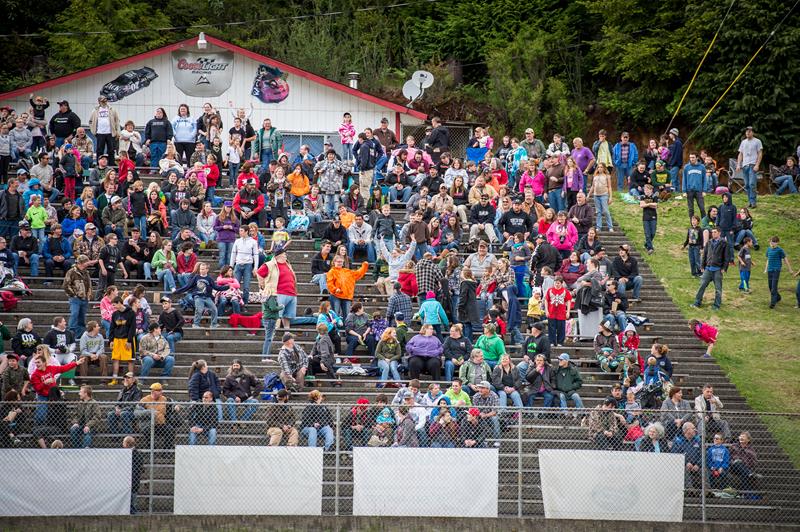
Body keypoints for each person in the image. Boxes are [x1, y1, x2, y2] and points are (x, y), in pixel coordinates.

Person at [692, 227, 728, 310]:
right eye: (712, 232)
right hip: (708, 268)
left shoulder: (724, 243)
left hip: (718, 269)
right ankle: (697, 302)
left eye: (715, 232)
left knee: (718, 289)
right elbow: (704, 254)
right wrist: (702, 266)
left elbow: (727, 256)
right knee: (702, 285)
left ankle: (716, 305)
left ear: (719, 233)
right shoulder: (709, 242)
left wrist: (724, 268)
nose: (713, 234)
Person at [138, 382, 180, 449]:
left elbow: (173, 402)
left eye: (161, 390)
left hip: (161, 424)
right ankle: (150, 450)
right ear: (153, 391)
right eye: (159, 390)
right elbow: (137, 412)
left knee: (170, 430)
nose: (161, 392)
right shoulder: (144, 400)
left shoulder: (164, 398)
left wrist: (176, 405)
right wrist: (150, 412)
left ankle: (166, 451)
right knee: (147, 431)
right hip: (148, 425)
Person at [736, 126, 763, 208]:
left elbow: (760, 153)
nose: (748, 132)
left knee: (752, 184)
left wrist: (757, 164)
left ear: (753, 132)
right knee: (747, 185)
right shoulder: (743, 142)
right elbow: (740, 154)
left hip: (752, 166)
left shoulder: (757, 141)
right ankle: (750, 202)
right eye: (747, 131)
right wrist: (738, 164)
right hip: (745, 166)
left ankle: (753, 202)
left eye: (750, 131)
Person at [765, 236, 793, 309]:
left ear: (777, 242)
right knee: (770, 286)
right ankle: (778, 297)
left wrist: (790, 269)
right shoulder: (768, 249)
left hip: (776, 270)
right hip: (770, 270)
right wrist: (766, 269)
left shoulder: (780, 250)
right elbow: (768, 259)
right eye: (771, 242)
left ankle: (772, 303)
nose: (772, 244)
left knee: (774, 287)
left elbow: (785, 260)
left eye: (773, 242)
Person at [544, 275, 571, 347]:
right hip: (551, 312)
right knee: (551, 328)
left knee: (561, 328)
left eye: (558, 283)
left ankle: (560, 342)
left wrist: (568, 311)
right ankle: (551, 341)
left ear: (561, 283)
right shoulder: (550, 290)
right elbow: (546, 300)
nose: (557, 284)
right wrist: (546, 310)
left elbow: (568, 301)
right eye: (556, 283)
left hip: (561, 313)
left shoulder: (565, 291)